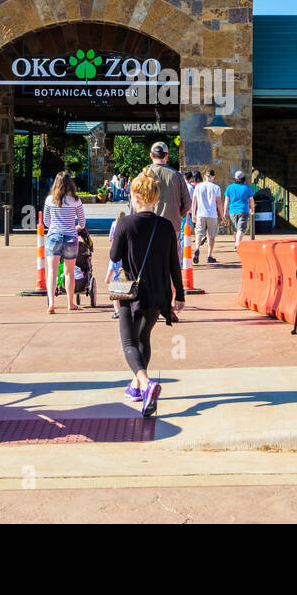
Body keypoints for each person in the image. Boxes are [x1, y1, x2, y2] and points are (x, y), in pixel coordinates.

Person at [109, 168, 185, 418]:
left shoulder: (125, 223)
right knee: (144, 339)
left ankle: (145, 382)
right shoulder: (165, 226)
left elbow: (115, 256)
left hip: (131, 293)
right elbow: (175, 263)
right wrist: (180, 296)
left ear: (137, 197)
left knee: (129, 342)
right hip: (159, 293)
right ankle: (136, 388)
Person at [43, 171, 86, 314]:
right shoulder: (76, 200)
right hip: (70, 238)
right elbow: (82, 222)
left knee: (52, 273)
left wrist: (55, 226)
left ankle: (51, 304)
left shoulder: (49, 200)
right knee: (69, 273)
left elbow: (46, 221)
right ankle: (70, 303)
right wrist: (77, 227)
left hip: (54, 237)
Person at [146, 141, 190, 256]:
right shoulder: (176, 175)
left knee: (151, 254)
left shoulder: (143, 176)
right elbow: (188, 203)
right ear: (166, 156)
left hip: (148, 223)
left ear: (151, 155)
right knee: (173, 254)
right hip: (172, 222)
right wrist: (179, 214)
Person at [191, 169, 223, 263]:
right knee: (211, 235)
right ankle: (209, 255)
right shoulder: (216, 187)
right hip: (212, 214)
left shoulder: (198, 187)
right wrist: (222, 214)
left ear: (205, 176)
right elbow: (219, 203)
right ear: (213, 177)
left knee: (199, 233)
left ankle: (197, 248)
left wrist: (193, 214)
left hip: (200, 213)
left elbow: (194, 202)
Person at [222, 170, 256, 246]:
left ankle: (236, 244)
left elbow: (226, 200)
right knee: (241, 229)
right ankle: (237, 244)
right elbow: (251, 200)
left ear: (235, 178)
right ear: (243, 178)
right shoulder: (247, 188)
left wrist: (225, 211)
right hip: (243, 210)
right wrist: (252, 208)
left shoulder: (229, 187)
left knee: (235, 229)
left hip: (232, 211)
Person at [105, 211, 126, 320]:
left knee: (114, 290)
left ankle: (117, 311)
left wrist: (107, 278)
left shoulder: (114, 223)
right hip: (128, 280)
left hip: (118, 281)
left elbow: (112, 267)